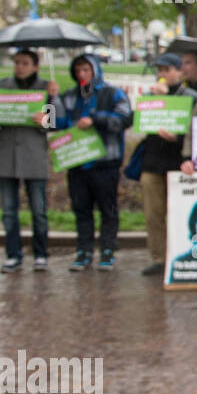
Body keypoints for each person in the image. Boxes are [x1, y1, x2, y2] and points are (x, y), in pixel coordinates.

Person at [52, 54, 130, 271]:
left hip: (105, 162)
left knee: (108, 209)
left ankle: (108, 250)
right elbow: (54, 125)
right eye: (78, 71)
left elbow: (125, 119)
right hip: (77, 162)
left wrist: (96, 119)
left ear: (95, 70)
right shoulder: (69, 96)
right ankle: (84, 251)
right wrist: (52, 99)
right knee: (81, 209)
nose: (82, 75)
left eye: (86, 70)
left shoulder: (112, 93)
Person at [136, 53, 197, 276]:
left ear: (179, 71)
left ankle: (184, 254)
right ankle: (159, 258)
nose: (162, 75)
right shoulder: (149, 96)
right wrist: (152, 102)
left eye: (166, 70)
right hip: (153, 163)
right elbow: (133, 121)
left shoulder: (192, 97)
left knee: (182, 213)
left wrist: (179, 139)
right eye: (159, 70)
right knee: (153, 214)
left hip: (179, 163)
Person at [0, 50, 53, 273]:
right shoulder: (4, 87)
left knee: (38, 209)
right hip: (6, 156)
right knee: (9, 210)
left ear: (35, 66)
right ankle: (14, 255)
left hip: (34, 156)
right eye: (17, 63)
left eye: (25, 63)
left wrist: (46, 118)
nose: (20, 67)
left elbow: (55, 122)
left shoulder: (46, 89)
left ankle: (41, 254)